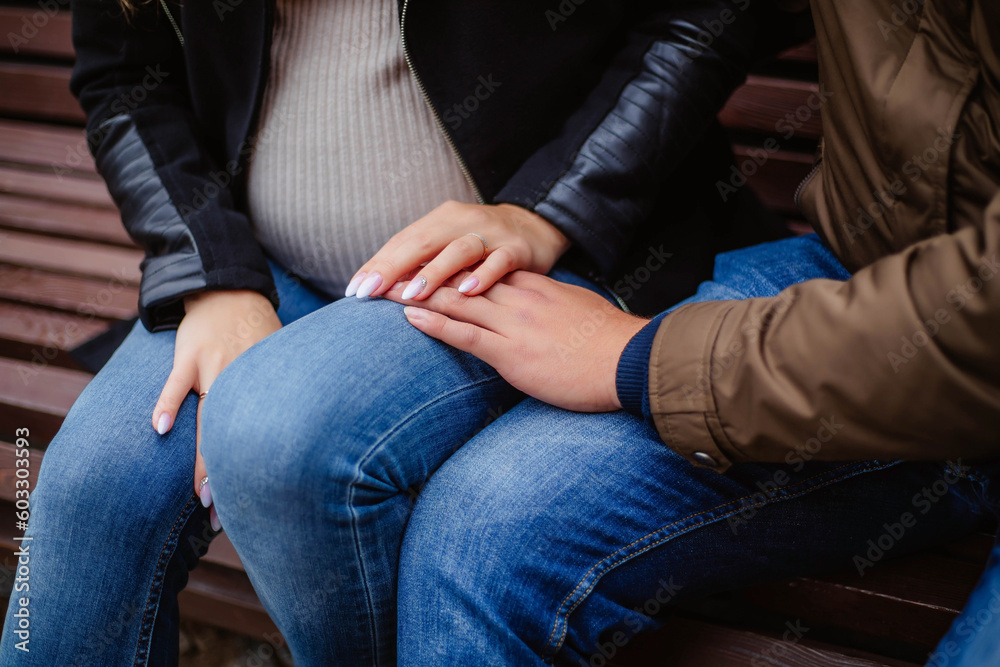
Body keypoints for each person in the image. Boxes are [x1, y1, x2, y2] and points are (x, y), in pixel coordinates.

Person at [0, 0, 799, 665]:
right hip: (254, 261)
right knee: (83, 492)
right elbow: (122, 74)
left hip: (523, 267)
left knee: (282, 440)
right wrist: (207, 272)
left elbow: (707, 14)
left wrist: (556, 206)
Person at [387, 0, 1000, 664]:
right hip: (859, 277)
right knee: (481, 528)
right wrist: (553, 202)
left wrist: (645, 359)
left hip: (954, 333)